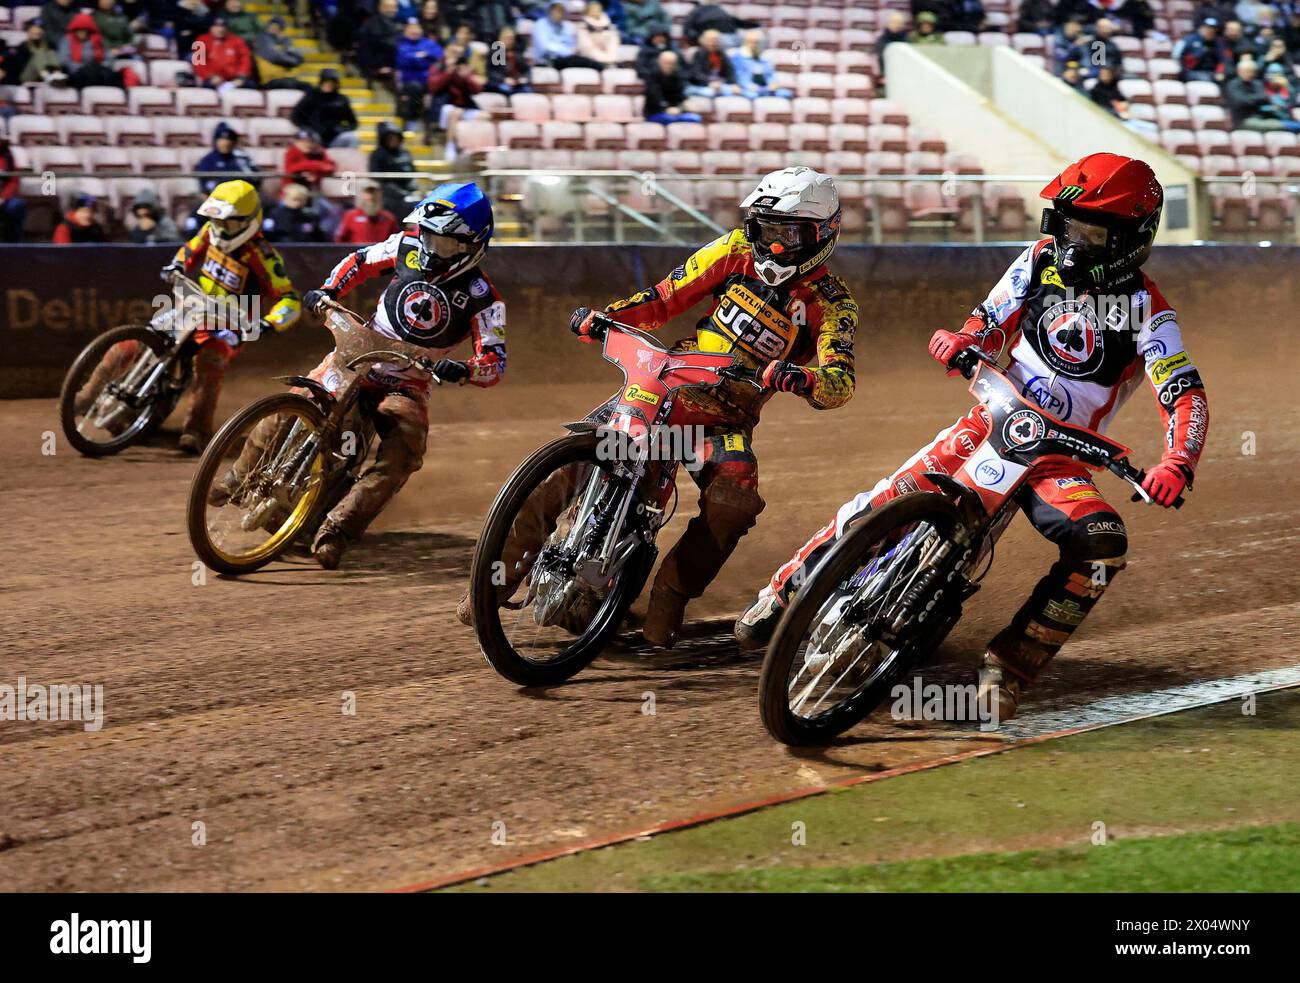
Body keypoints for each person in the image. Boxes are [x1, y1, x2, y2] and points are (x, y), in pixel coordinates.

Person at [735, 154, 1209, 722]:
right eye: (1063, 224)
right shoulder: (1038, 260)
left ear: (1130, 239)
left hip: (1061, 460)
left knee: (1103, 545)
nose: (1068, 240)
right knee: (887, 499)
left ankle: (1011, 668)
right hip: (992, 416)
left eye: (1088, 230)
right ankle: (784, 591)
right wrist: (963, 339)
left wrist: (1178, 460)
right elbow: (990, 316)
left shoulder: (1151, 316)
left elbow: (1185, 393)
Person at [534, 166, 859, 647]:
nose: (771, 245)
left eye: (786, 234)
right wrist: (608, 318)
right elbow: (664, 298)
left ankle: (668, 599)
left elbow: (841, 381)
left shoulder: (833, 304)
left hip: (725, 420)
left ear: (820, 235)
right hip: (665, 384)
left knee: (735, 501)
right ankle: (503, 569)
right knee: (573, 456)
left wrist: (803, 378)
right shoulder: (732, 250)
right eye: (764, 230)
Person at [296, 183, 505, 569]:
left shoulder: (484, 298)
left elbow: (494, 359)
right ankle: (243, 470)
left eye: (441, 243)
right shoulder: (405, 245)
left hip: (408, 382)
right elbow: (360, 261)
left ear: (470, 246)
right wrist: (328, 290)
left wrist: (464, 369)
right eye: (426, 235)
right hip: (358, 353)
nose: (428, 247)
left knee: (404, 451)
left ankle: (337, 530)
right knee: (304, 396)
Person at [160, 180, 301, 452]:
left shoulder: (263, 256)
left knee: (209, 361)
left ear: (248, 220)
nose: (221, 229)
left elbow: (290, 299)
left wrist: (270, 322)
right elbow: (189, 250)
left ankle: (197, 431)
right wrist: (177, 264)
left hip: (231, 324)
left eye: (229, 223)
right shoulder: (210, 231)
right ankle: (90, 394)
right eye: (216, 221)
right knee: (142, 341)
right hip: (194, 306)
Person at [290, 69, 359, 148]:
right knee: (304, 135)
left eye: (332, 83)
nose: (329, 85)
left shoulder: (341, 100)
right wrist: (308, 128)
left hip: (334, 137)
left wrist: (341, 129)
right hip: (314, 136)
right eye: (326, 82)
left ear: (336, 84)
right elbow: (295, 117)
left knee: (352, 137)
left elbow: (354, 123)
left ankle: (348, 159)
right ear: (321, 83)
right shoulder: (311, 97)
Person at [1225, 57, 1300, 130]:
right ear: (1239, 71)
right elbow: (1241, 102)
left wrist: (1254, 99)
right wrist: (1258, 99)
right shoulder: (1233, 85)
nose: (1250, 73)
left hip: (1261, 116)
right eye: (1247, 71)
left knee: (1281, 118)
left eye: (1252, 71)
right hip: (1243, 120)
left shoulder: (1257, 83)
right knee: (1275, 125)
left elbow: (1264, 98)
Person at [193, 121, 260, 202]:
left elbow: (256, 178)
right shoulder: (207, 161)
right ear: (216, 140)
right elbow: (204, 188)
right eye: (222, 139)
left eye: (229, 139)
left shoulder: (242, 158)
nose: (226, 143)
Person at [396, 17, 443, 125]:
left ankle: (435, 123)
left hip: (430, 79)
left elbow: (439, 56)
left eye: (417, 28)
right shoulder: (402, 45)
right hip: (411, 80)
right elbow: (405, 61)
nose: (414, 31)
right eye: (411, 28)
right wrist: (425, 58)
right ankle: (412, 119)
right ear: (405, 31)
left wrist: (422, 57)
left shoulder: (429, 43)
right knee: (414, 87)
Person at [532, 1, 604, 70]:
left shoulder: (567, 26)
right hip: (546, 60)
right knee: (577, 62)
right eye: (555, 10)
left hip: (566, 58)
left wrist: (567, 51)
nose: (557, 13)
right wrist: (565, 50)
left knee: (588, 63)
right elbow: (545, 47)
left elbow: (572, 46)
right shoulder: (540, 24)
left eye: (561, 11)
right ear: (550, 10)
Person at [369, 120, 418, 217]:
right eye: (390, 138)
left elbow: (413, 172)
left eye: (395, 138)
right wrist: (399, 193)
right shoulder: (377, 155)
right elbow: (377, 177)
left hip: (407, 190)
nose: (393, 141)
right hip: (388, 193)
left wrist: (411, 188)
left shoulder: (405, 153)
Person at [191, 17, 254, 89]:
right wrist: (210, 76)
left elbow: (245, 59)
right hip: (211, 79)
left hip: (234, 79)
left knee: (250, 85)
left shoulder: (236, 40)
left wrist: (241, 76)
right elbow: (198, 63)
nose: (221, 29)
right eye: (216, 26)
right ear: (210, 28)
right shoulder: (201, 40)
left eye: (223, 26)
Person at [643, 49, 703, 123]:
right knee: (669, 119)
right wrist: (666, 108)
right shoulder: (652, 76)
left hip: (676, 112)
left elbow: (680, 95)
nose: (670, 66)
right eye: (667, 63)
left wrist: (685, 103)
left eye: (672, 64)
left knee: (695, 118)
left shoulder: (677, 77)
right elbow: (655, 95)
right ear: (659, 62)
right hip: (656, 112)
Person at [729, 29, 791, 99]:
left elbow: (770, 75)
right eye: (751, 42)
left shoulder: (763, 59)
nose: (754, 45)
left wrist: (773, 84)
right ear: (745, 42)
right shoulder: (737, 58)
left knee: (786, 94)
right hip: (749, 89)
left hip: (766, 88)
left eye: (756, 42)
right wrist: (753, 87)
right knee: (752, 95)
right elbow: (739, 78)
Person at [334, 179, 399, 243]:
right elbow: (340, 240)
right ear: (361, 195)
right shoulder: (350, 216)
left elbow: (395, 240)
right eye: (367, 192)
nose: (371, 196)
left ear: (380, 195)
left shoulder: (389, 218)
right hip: (357, 251)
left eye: (374, 193)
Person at [262, 180, 328, 241]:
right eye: (295, 199)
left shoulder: (310, 218)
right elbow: (266, 236)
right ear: (284, 197)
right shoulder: (273, 215)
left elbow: (319, 238)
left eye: (302, 199)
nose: (298, 203)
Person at [357, 0, 402, 83]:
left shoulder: (397, 22)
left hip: (393, 64)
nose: (391, 9)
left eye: (394, 7)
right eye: (388, 6)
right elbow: (381, 45)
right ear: (380, 7)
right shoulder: (372, 24)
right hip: (378, 66)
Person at [686, 27, 738, 97]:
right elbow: (697, 73)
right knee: (711, 93)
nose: (713, 43)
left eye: (715, 41)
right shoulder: (698, 54)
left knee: (735, 91)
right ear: (704, 41)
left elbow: (730, 70)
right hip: (703, 84)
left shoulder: (722, 54)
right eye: (710, 41)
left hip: (720, 84)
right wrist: (709, 82)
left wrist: (733, 84)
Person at [1177, 17, 1230, 82]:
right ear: (1201, 28)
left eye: (1213, 29)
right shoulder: (1188, 40)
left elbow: (1222, 60)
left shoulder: (1217, 43)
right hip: (1193, 71)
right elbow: (1177, 56)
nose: (1210, 31)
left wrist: (1220, 72)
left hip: (1212, 72)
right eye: (1208, 28)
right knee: (1206, 79)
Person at [254, 16, 304, 84]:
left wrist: (284, 44)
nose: (273, 29)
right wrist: (293, 62)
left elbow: (299, 56)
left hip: (286, 76)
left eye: (278, 28)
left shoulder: (286, 40)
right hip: (271, 78)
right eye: (271, 26)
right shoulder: (263, 40)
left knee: (307, 87)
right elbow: (275, 57)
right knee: (289, 85)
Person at [484, 23, 531, 95]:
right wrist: (504, 79)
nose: (509, 41)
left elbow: (526, 70)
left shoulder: (517, 53)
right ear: (499, 38)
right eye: (506, 38)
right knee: (506, 89)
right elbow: (491, 73)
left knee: (527, 90)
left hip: (516, 83)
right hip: (499, 82)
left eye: (511, 38)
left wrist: (524, 78)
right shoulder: (497, 52)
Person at [0, 122, 25, 243]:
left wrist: (2, 198)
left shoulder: (7, 155)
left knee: (17, 205)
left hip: (3, 199)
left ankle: (14, 247)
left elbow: (14, 181)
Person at [577, 0, 620, 68]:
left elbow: (613, 46)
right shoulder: (583, 27)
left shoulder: (610, 27)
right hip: (590, 62)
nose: (595, 11)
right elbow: (587, 48)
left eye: (597, 9)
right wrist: (604, 59)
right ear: (587, 11)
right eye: (593, 9)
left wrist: (610, 58)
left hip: (609, 60)